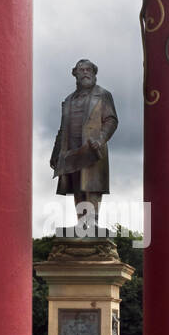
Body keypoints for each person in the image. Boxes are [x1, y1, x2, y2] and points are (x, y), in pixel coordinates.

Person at [50, 58, 118, 232]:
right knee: (77, 184)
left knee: (92, 184)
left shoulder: (103, 94)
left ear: (94, 74)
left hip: (92, 147)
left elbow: (111, 120)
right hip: (71, 148)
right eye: (82, 70)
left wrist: (101, 139)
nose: (86, 72)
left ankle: (93, 221)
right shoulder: (68, 100)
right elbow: (62, 129)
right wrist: (56, 153)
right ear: (75, 74)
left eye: (89, 70)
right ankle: (81, 222)